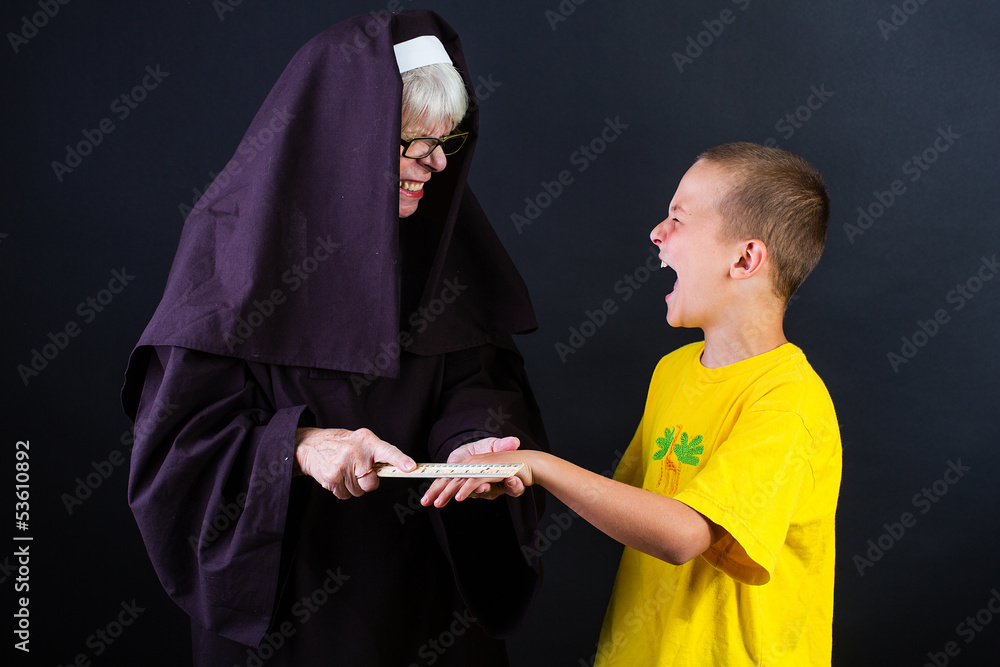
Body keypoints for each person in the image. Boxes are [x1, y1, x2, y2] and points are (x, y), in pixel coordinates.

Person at [122, 10, 548, 666]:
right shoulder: (231, 244)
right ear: (344, 139)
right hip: (290, 604)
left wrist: (473, 443)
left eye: (447, 143)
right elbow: (177, 451)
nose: (435, 164)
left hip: (425, 593)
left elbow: (478, 381)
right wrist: (295, 446)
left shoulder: (444, 240)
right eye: (412, 143)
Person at [424, 143, 842, 665]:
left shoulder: (788, 400)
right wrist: (504, 473)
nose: (656, 232)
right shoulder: (672, 373)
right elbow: (628, 507)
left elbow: (686, 534)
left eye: (677, 218)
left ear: (745, 258)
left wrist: (539, 466)